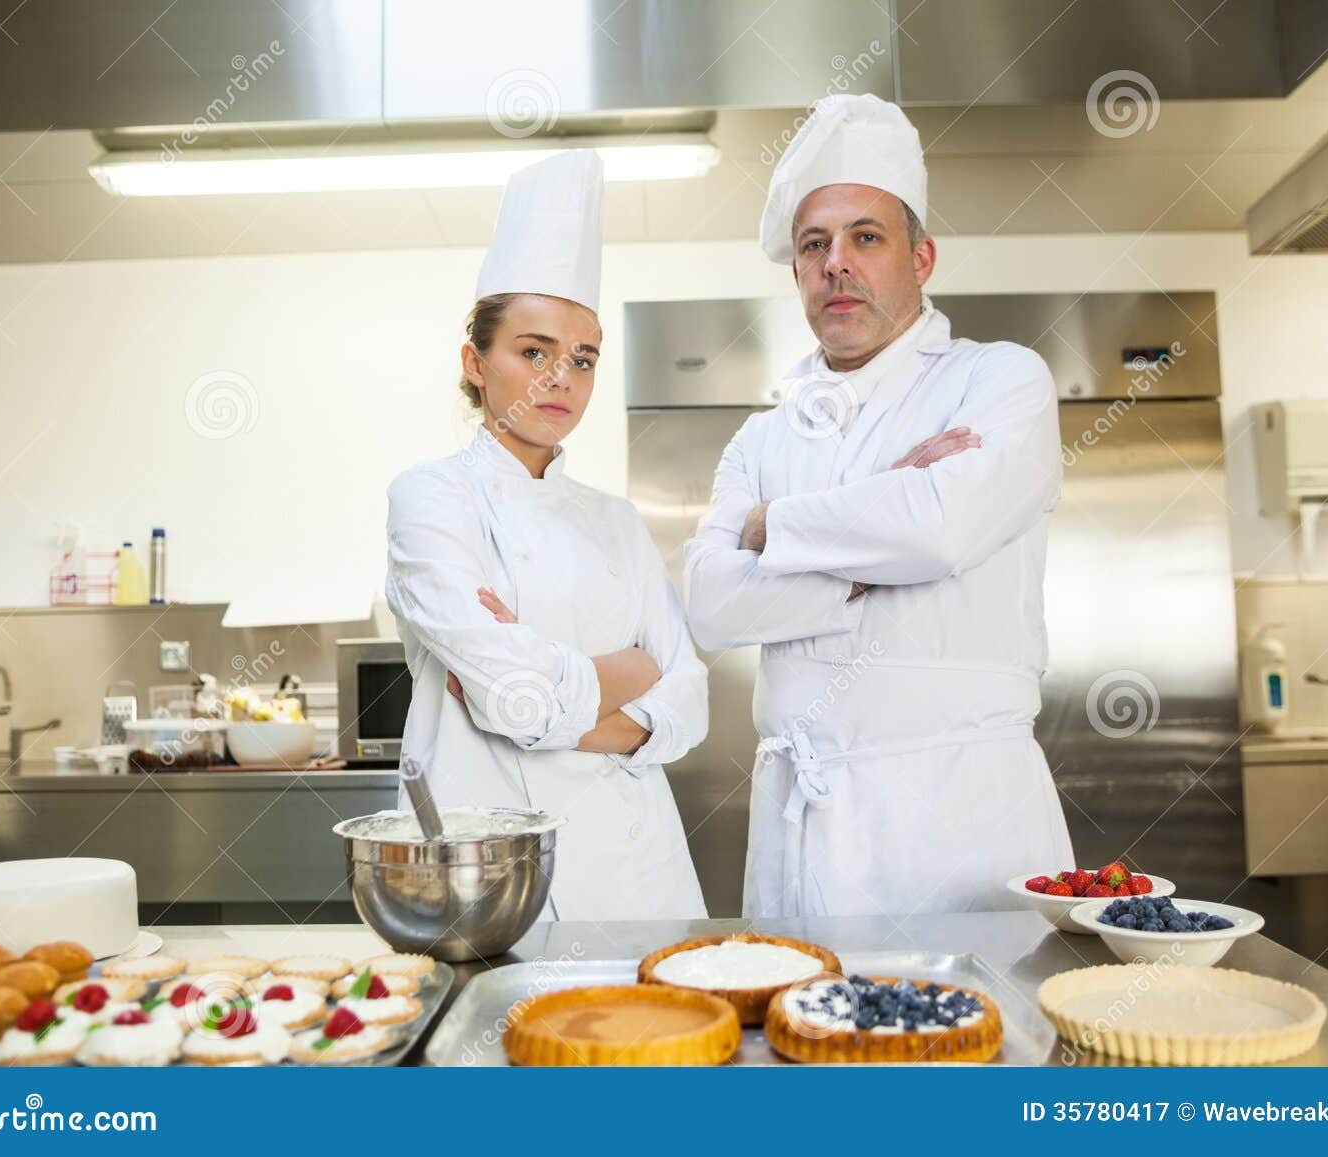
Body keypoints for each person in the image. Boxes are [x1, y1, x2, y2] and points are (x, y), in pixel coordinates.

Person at [684, 94, 1074, 919]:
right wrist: (867, 559)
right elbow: (713, 606)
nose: (837, 262)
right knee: (801, 1034)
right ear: (795, 273)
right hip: (803, 824)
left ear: (922, 258)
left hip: (961, 817)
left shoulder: (999, 380)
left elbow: (938, 530)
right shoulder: (762, 436)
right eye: (814, 245)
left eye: (867, 236)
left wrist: (770, 527)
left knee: (979, 1036)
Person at [385, 151, 707, 922]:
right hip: (495, 874)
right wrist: (631, 672)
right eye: (533, 351)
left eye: (582, 359)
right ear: (477, 362)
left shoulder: (618, 521)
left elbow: (690, 701)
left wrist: (532, 699)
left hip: (641, 877)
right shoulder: (430, 499)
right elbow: (510, 691)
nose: (560, 377)